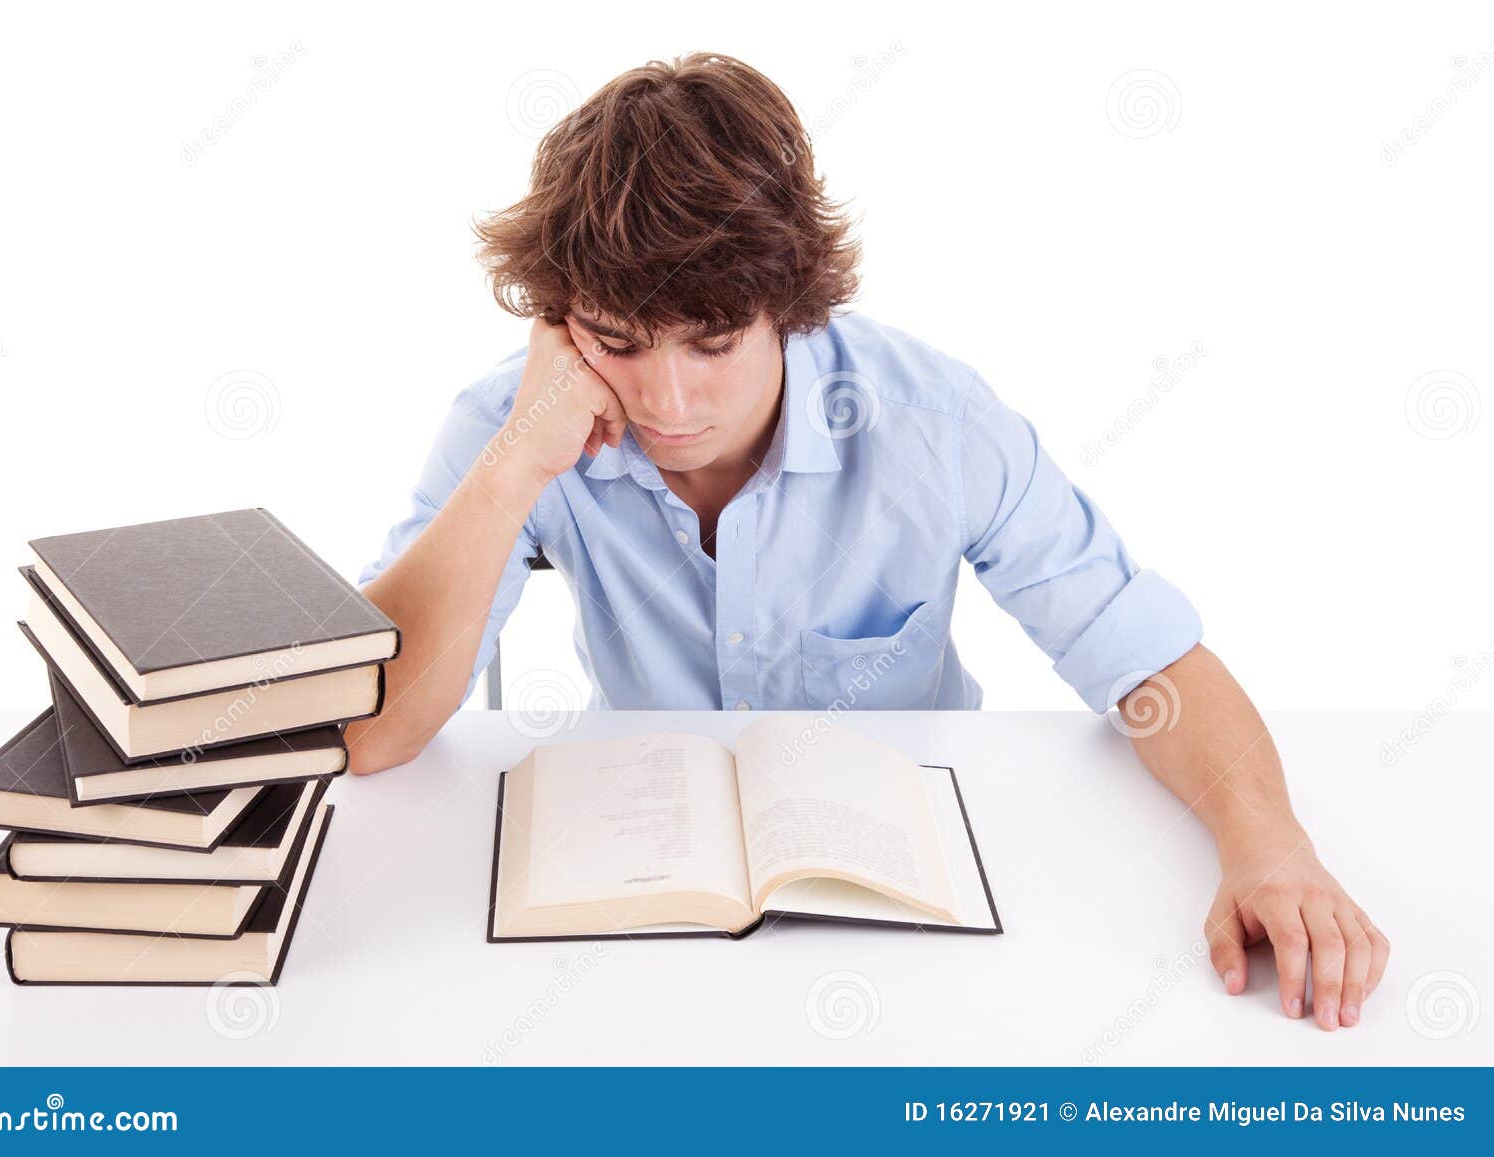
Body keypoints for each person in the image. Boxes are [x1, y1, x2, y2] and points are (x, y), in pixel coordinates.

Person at [347, 52, 1387, 1029]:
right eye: (617, 340)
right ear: (560, 320)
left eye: (714, 343)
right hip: (643, 917)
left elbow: (1145, 656)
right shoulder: (512, 421)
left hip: (924, 916)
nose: (665, 399)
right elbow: (371, 731)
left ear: (790, 305)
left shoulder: (933, 422)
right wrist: (516, 464)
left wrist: (1270, 843)